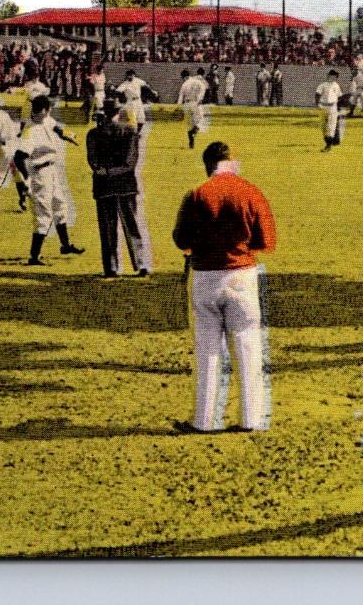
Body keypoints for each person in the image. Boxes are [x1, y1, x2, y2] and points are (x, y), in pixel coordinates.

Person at [172, 141, 277, 433]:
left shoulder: (196, 194)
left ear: (208, 165)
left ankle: (203, 420)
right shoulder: (251, 192)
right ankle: (251, 418)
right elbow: (266, 241)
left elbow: (181, 239)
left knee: (207, 351)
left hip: (205, 275)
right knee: (248, 346)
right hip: (242, 274)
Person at [14, 95, 85, 265]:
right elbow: (19, 157)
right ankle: (34, 256)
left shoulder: (45, 120)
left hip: (51, 170)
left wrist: (67, 135)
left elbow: (56, 128)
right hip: (39, 174)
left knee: (60, 205)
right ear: (45, 110)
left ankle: (65, 245)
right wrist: (26, 178)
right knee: (43, 213)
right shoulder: (30, 131)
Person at [85, 99, 149, 278]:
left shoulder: (93, 134)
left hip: (103, 186)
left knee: (107, 229)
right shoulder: (130, 132)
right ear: (118, 112)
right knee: (132, 226)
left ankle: (111, 267)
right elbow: (130, 162)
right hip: (125, 185)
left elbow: (93, 161)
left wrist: (104, 171)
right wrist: (114, 172)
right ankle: (141, 263)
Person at [176, 68, 209, 150]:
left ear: (183, 77)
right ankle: (194, 131)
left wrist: (179, 107)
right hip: (196, 103)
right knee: (199, 120)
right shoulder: (197, 81)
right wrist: (200, 98)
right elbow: (203, 88)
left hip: (187, 104)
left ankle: (191, 141)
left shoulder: (185, 83)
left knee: (189, 124)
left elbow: (181, 95)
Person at [315, 69, 344, 151]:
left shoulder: (337, 86)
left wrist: (338, 108)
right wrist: (318, 104)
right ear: (328, 76)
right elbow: (317, 94)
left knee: (331, 126)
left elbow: (340, 97)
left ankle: (328, 146)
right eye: (332, 75)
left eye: (335, 76)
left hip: (332, 107)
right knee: (323, 126)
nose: (333, 77)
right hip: (323, 106)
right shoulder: (323, 85)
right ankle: (328, 142)